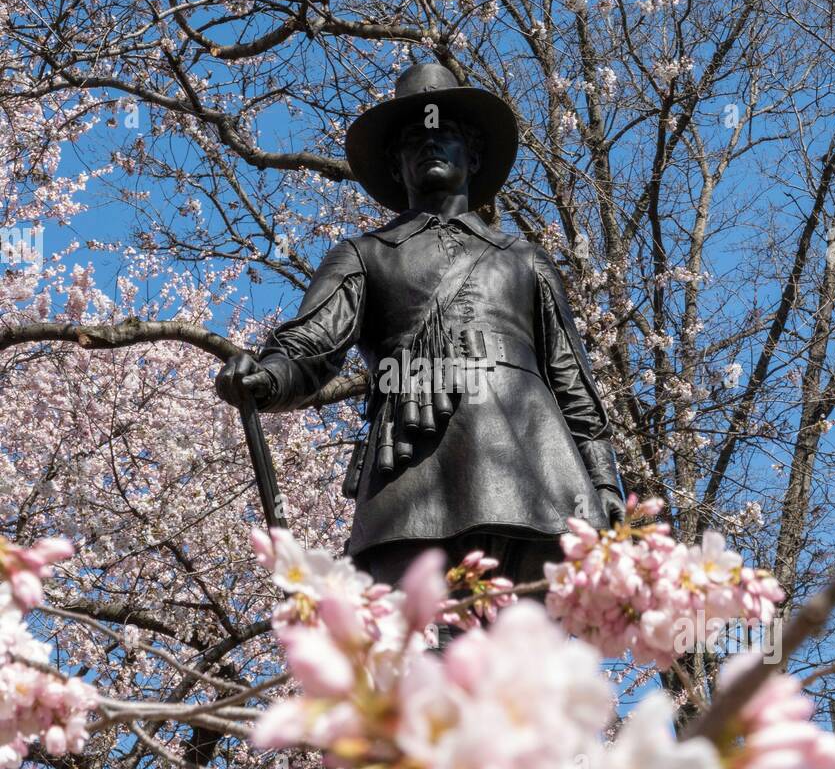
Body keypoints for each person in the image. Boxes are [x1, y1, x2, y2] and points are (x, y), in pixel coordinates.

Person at [216, 60, 625, 590]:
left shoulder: (524, 259)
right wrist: (267, 376)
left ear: (474, 154)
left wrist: (603, 482)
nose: (430, 145)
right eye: (414, 139)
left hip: (533, 467)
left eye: (445, 134)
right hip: (413, 469)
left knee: (521, 654)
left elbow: (572, 382)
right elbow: (311, 344)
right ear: (396, 163)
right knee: (421, 652)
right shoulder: (364, 256)